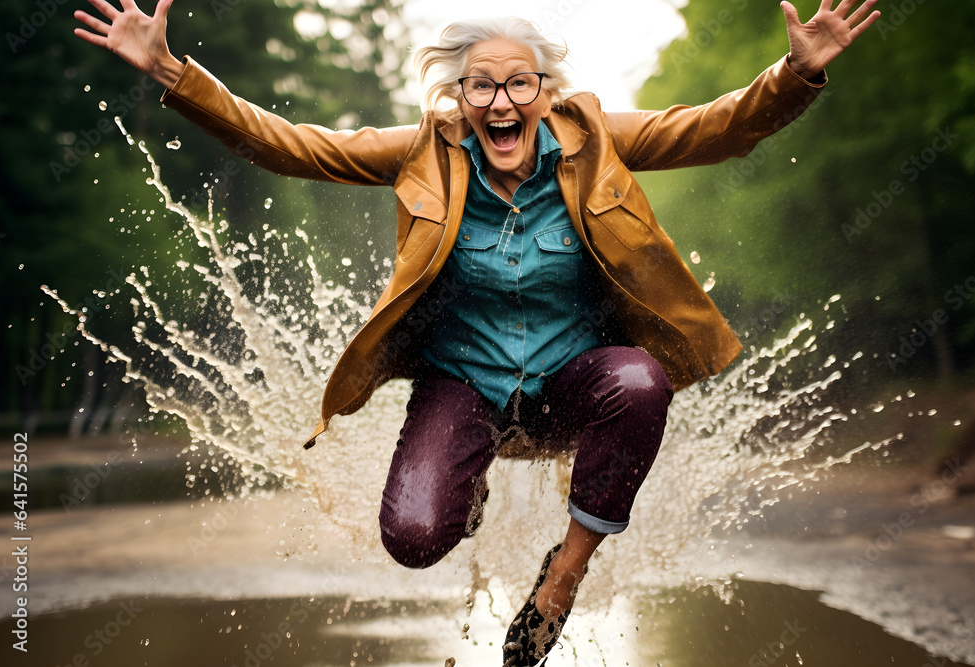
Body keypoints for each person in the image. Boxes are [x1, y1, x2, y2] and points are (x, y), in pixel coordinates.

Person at [74, 1, 880, 664]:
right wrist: (174, 73)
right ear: (458, 98)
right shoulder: (427, 152)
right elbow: (296, 147)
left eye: (518, 84)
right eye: (480, 88)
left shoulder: (591, 140)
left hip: (574, 384)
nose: (501, 103)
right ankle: (468, 489)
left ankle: (561, 578)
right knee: (416, 538)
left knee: (641, 379)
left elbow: (715, 128)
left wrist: (797, 71)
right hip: (462, 385)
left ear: (544, 89)